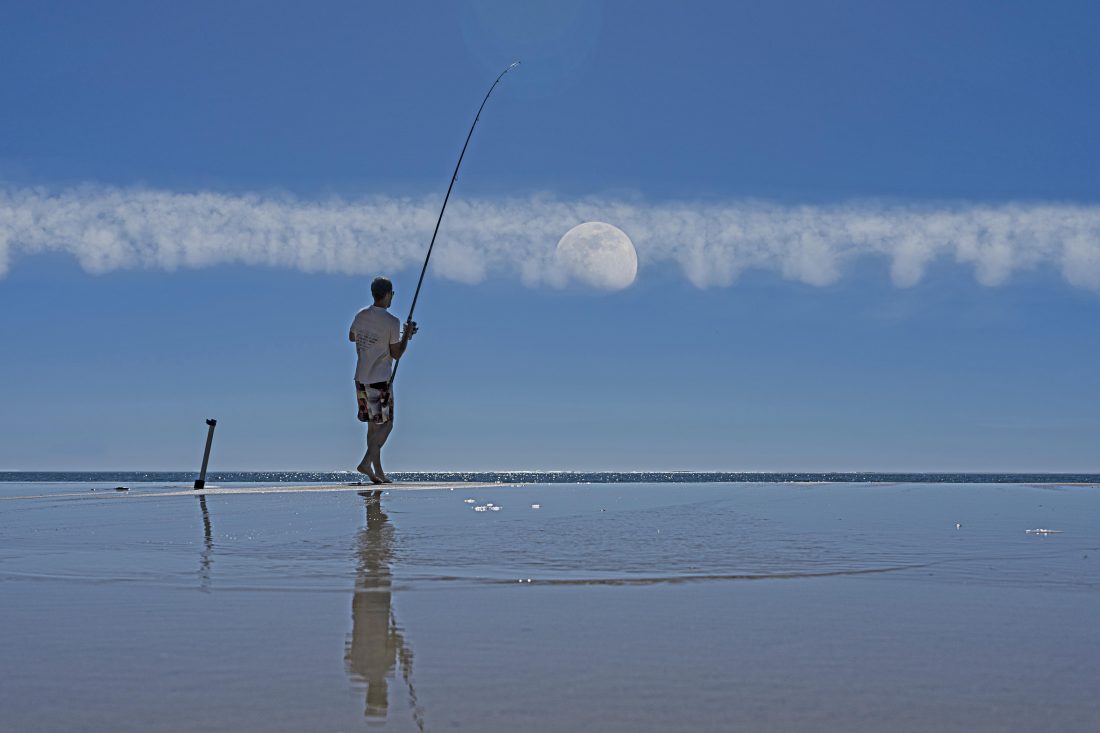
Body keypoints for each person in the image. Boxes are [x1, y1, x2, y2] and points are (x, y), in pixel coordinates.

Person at [349, 276, 416, 483]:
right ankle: (366, 462)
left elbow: (352, 337)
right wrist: (406, 335)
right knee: (386, 425)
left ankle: (378, 473)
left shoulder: (361, 315)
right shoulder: (392, 322)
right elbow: (396, 354)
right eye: (392, 294)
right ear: (388, 294)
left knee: (372, 426)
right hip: (380, 380)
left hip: (361, 378)